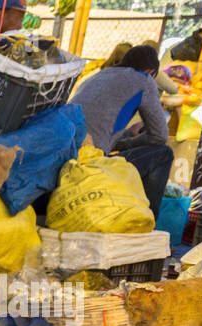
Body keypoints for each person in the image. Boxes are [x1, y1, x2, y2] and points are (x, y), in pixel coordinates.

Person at [68, 44, 172, 218]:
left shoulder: (95, 77)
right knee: (163, 154)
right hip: (90, 162)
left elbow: (98, 130)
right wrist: (128, 144)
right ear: (150, 71)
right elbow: (160, 136)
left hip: (67, 154)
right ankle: (147, 222)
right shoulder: (144, 79)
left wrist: (127, 134)